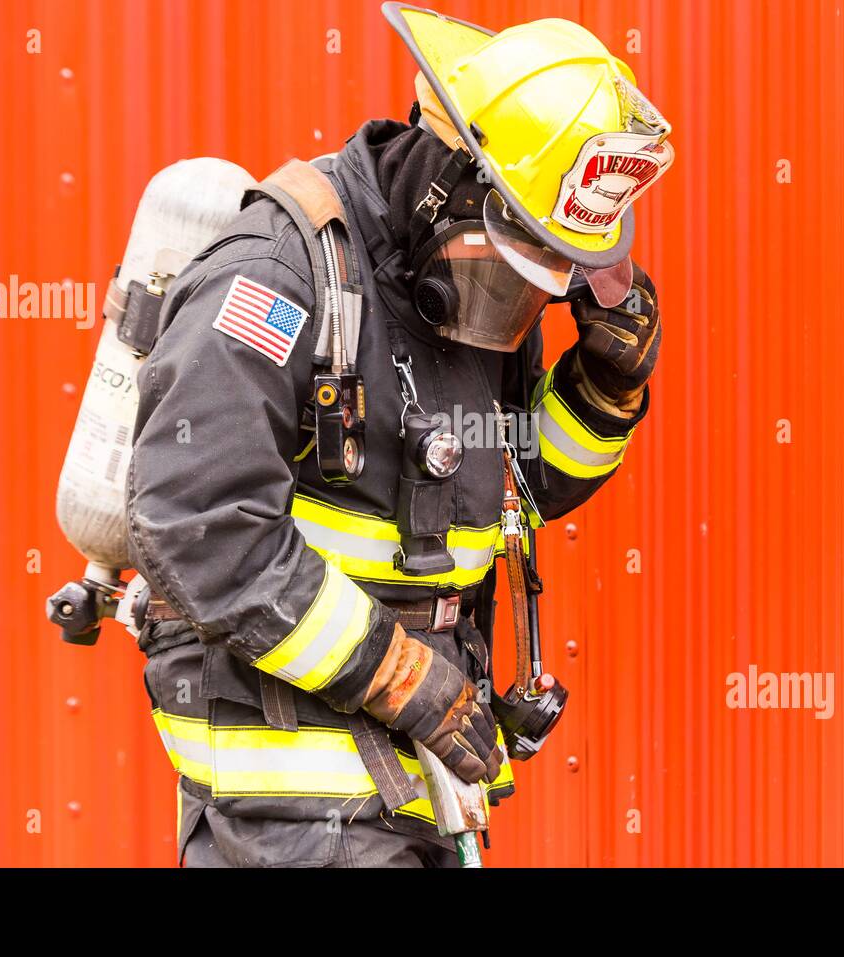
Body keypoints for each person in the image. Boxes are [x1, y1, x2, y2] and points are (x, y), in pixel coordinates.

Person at [126, 3, 673, 867]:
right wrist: (400, 673)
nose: (517, 300)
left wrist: (601, 392)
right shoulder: (277, 273)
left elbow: (512, 486)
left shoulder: (467, 288)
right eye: (511, 262)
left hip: (408, 780)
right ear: (446, 184)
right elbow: (202, 523)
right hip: (292, 796)